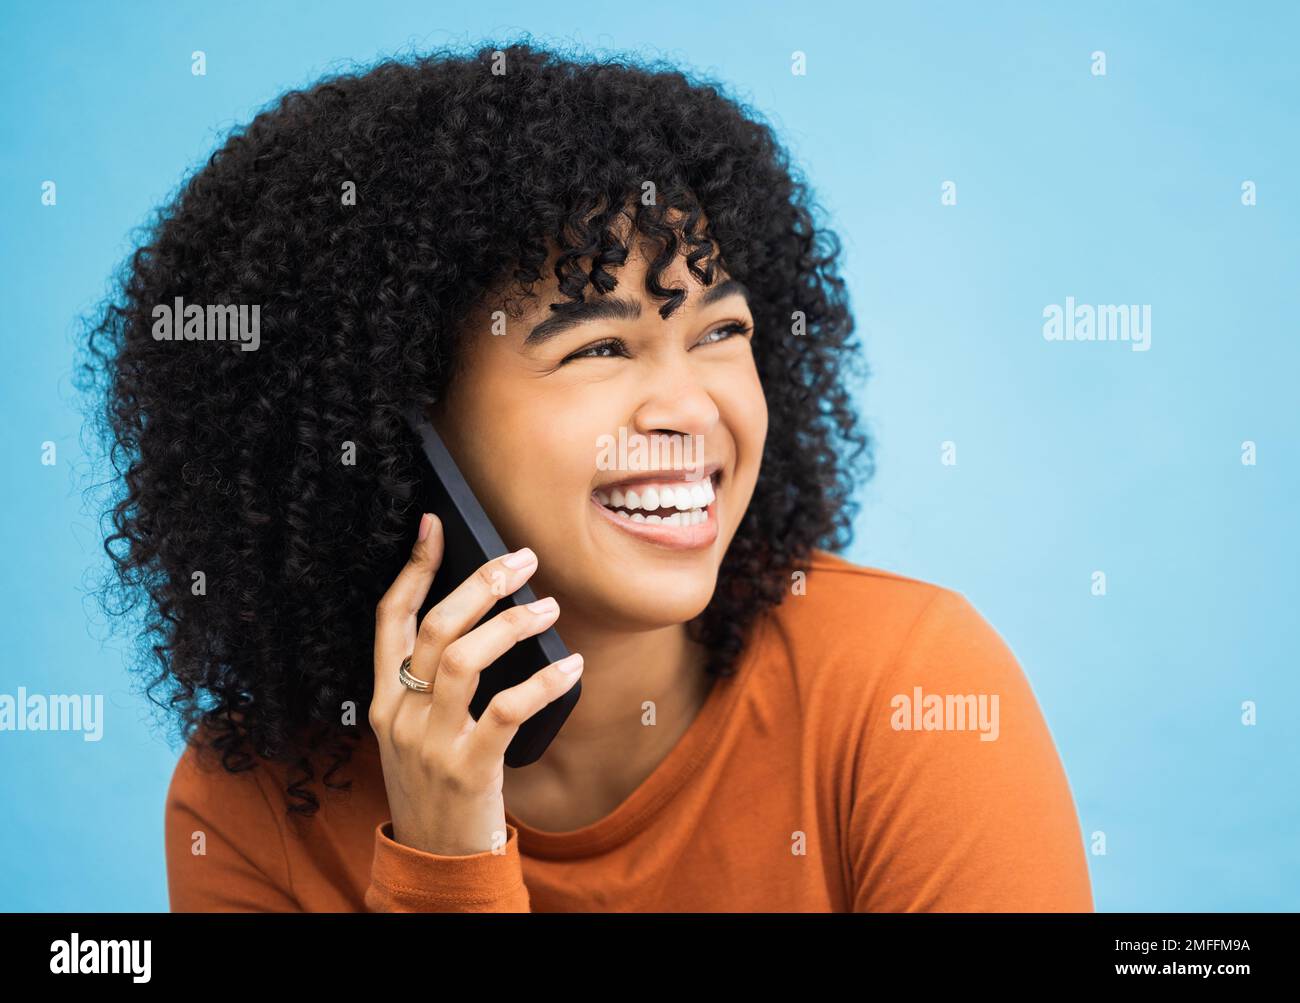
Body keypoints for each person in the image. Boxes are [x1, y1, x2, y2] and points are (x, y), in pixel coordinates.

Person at [82, 41, 1094, 912]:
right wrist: (445, 859)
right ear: (398, 419)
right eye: (600, 348)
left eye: (722, 333)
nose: (692, 410)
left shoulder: (906, 688)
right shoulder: (256, 800)